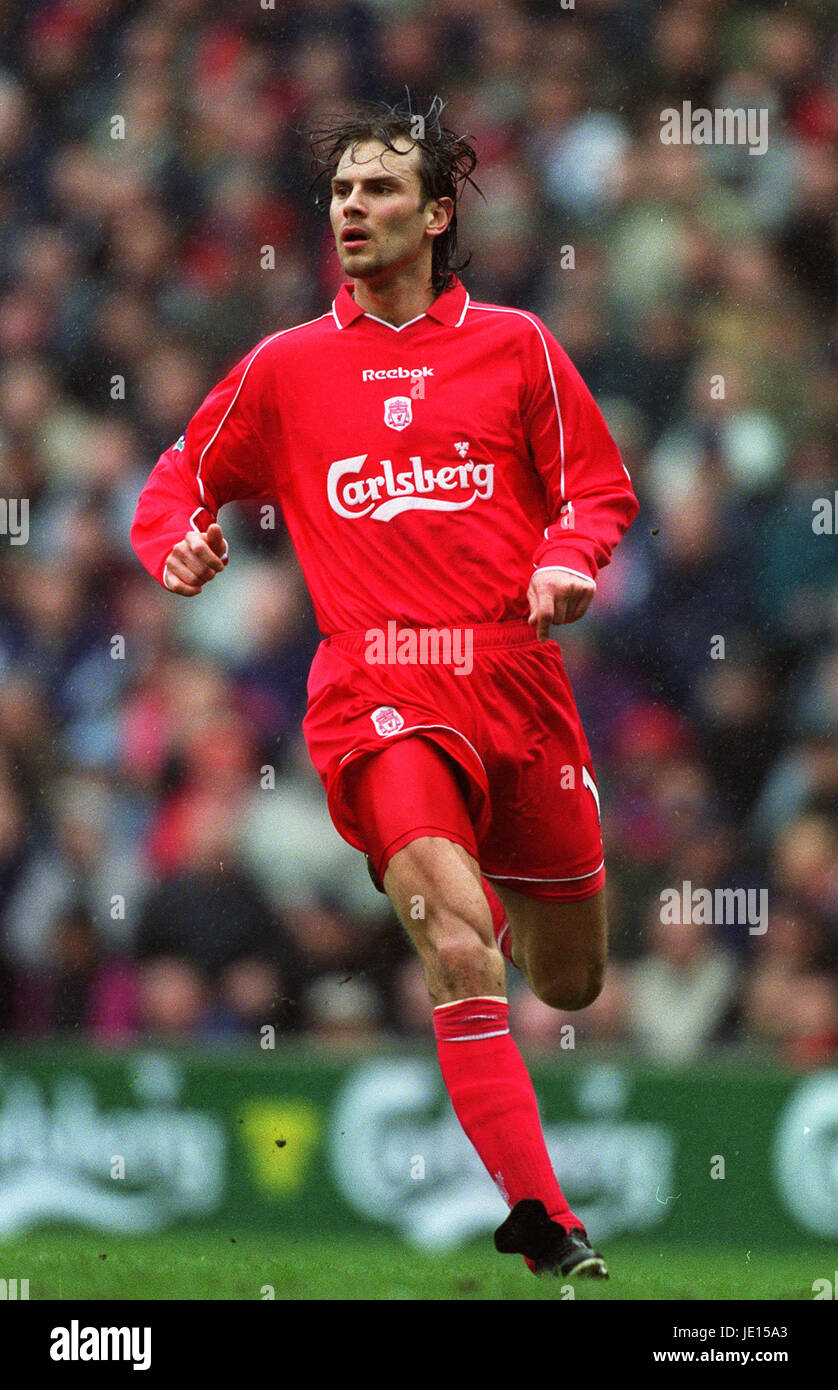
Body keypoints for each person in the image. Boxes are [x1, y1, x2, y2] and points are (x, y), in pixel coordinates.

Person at [131, 98, 639, 1279]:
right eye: (340, 193)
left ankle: (495, 941)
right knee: (458, 948)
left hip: (517, 682)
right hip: (375, 682)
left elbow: (598, 492)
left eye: (377, 192)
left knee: (569, 976)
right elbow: (176, 480)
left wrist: (567, 558)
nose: (351, 211)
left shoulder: (517, 346)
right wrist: (176, 544)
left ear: (436, 213)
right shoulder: (286, 367)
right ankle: (541, 1215)